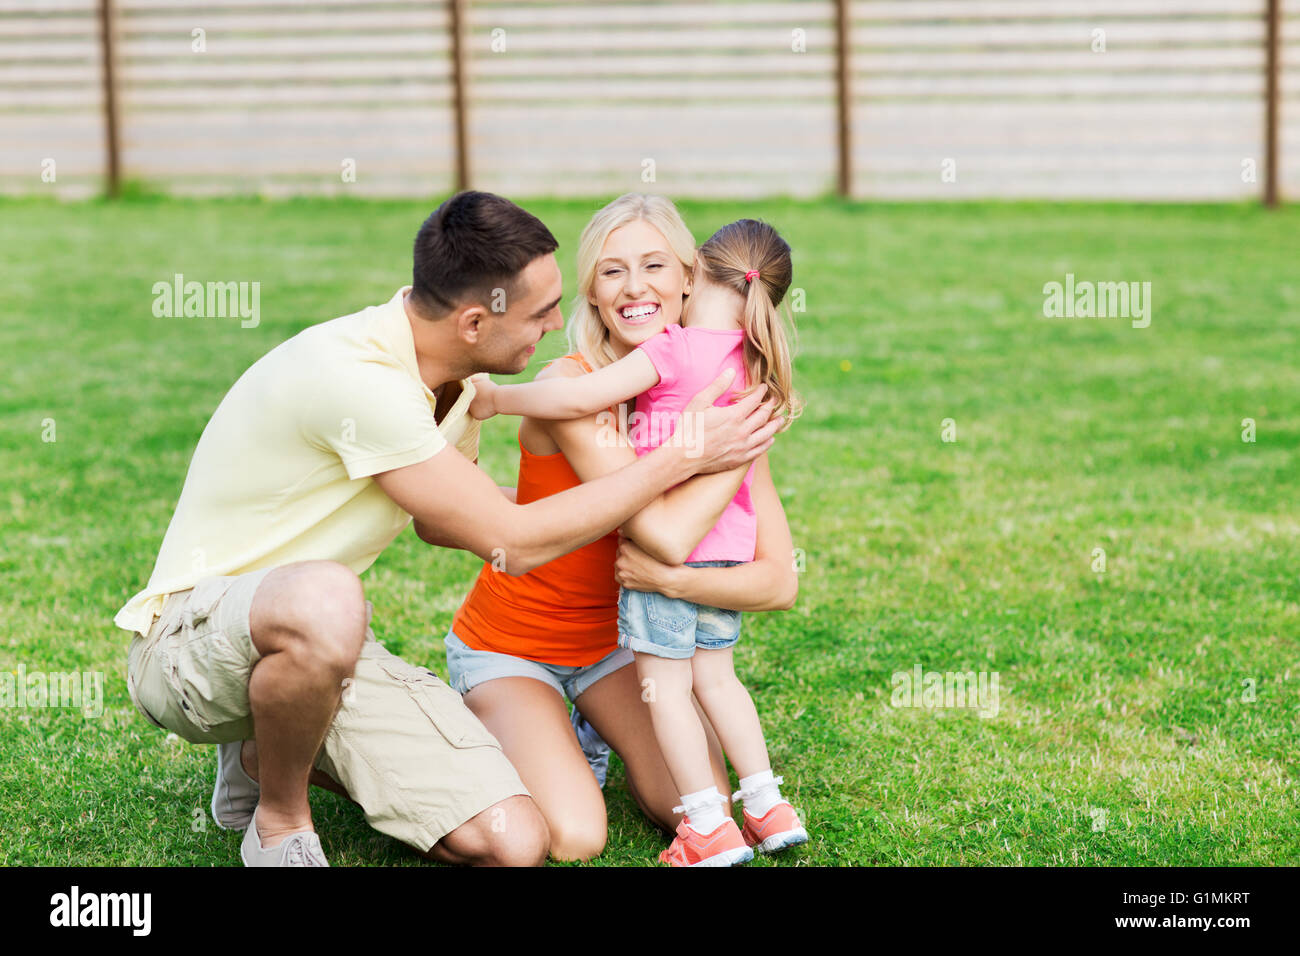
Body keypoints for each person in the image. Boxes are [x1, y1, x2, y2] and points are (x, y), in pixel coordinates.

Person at [114, 191, 780, 867]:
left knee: (517, 842)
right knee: (329, 598)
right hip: (193, 637)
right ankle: (280, 819)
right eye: (543, 310)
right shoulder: (366, 382)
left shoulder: (459, 385)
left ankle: (267, 750)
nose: (556, 323)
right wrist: (685, 458)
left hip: (335, 641)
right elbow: (514, 543)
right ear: (472, 322)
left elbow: (447, 521)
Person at [444, 194, 801, 864]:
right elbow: (660, 534)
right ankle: (455, 728)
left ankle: (585, 727)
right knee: (577, 836)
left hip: (618, 648)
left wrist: (674, 576)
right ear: (593, 294)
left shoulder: (721, 397)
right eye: (612, 272)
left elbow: (778, 581)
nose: (635, 288)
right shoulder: (572, 388)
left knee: (703, 803)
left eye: (654, 266)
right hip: (517, 646)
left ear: (692, 278)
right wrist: (709, 452)